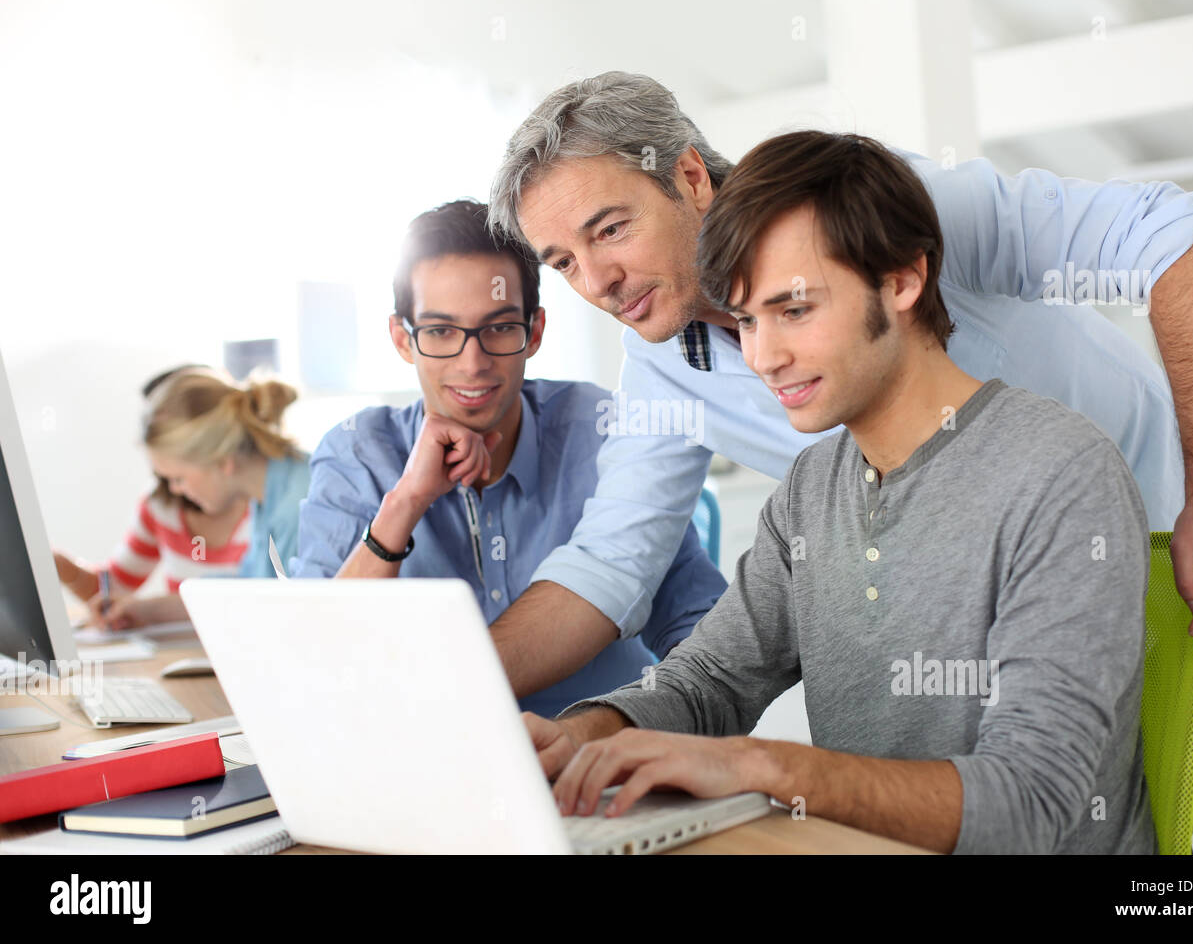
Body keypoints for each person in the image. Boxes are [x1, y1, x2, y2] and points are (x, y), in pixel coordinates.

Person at [481, 72, 1193, 702]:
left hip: (1131, 511)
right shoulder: (660, 364)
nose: (598, 282)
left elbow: (1182, 238)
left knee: (1105, 796)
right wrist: (456, 692)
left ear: (689, 177)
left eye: (609, 230)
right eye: (562, 264)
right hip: (953, 570)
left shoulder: (893, 209)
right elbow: (610, 562)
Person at [524, 130, 1156, 855]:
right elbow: (707, 682)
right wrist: (575, 739)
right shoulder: (812, 488)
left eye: (794, 310)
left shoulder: (1061, 473)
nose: (763, 356)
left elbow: (1031, 804)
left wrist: (762, 767)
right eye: (749, 318)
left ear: (901, 280)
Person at [290, 200, 726, 719]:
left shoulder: (604, 431)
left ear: (534, 332)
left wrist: (667, 735)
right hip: (425, 757)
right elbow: (312, 657)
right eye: (441, 332)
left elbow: (695, 625)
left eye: (498, 328)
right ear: (403, 340)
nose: (472, 365)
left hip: (601, 757)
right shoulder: (358, 451)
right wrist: (406, 502)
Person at [75, 367, 311, 629]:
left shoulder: (298, 506)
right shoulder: (266, 495)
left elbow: (288, 615)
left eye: (178, 478)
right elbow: (247, 590)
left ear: (221, 461)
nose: (174, 490)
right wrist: (145, 610)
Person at [55, 367, 252, 628]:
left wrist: (151, 610)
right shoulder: (162, 504)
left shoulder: (265, 506)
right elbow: (111, 589)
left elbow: (249, 602)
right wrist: (57, 564)